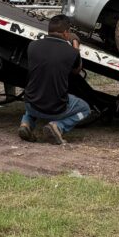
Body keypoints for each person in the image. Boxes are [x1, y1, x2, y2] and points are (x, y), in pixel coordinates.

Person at [19, 14, 91, 145]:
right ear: (65, 33)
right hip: (56, 109)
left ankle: (26, 123)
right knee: (85, 109)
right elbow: (76, 70)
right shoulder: (71, 52)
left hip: (31, 105)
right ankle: (58, 126)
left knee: (36, 91)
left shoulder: (32, 46)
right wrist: (75, 45)